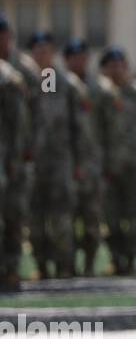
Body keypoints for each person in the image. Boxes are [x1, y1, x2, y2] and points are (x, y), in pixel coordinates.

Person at [18, 32, 79, 279]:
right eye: (37, 51)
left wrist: (79, 162)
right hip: (32, 161)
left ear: (53, 53)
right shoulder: (23, 80)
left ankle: (65, 266)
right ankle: (41, 264)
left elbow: (76, 125)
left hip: (58, 161)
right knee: (35, 217)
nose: (41, 55)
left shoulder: (60, 82)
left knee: (61, 216)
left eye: (46, 50)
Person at [97, 48, 136, 276]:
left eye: (119, 65)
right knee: (110, 219)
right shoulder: (98, 96)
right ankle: (116, 259)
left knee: (134, 218)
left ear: (126, 67)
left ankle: (130, 259)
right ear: (103, 69)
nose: (115, 70)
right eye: (110, 65)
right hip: (107, 168)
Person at [63, 38, 105, 277]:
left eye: (83, 56)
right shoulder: (56, 86)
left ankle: (89, 265)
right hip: (64, 164)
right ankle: (66, 266)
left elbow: (110, 128)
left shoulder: (100, 89)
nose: (79, 61)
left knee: (91, 218)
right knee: (64, 218)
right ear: (67, 60)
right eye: (74, 57)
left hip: (92, 164)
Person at [0, 15, 27, 292]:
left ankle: (9, 270)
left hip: (6, 159)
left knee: (11, 215)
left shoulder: (10, 75)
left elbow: (18, 123)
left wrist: (15, 159)